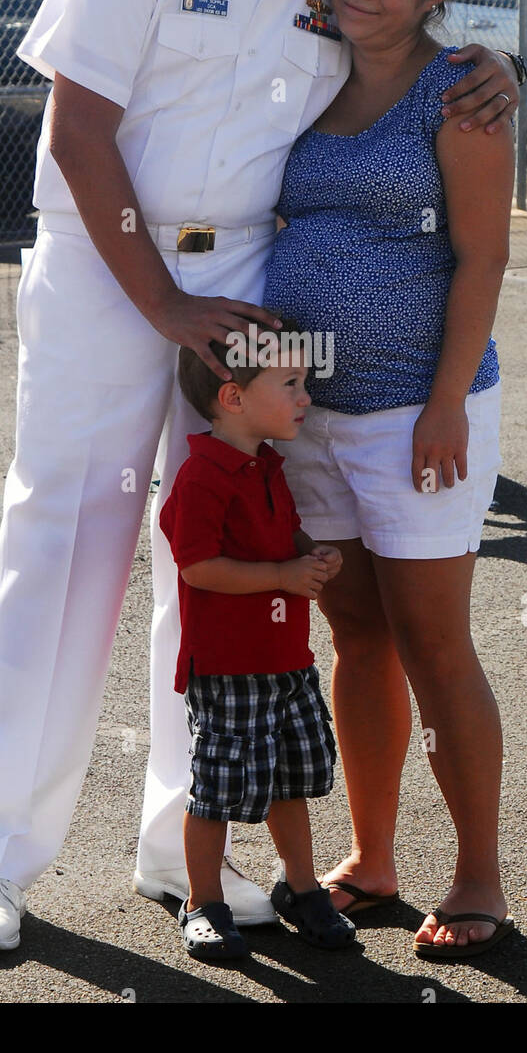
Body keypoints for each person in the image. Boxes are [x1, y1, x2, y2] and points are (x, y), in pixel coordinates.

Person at [0, 0, 524, 952]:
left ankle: (180, 843)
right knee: (69, 543)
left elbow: (403, 45)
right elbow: (79, 131)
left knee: (217, 554)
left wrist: (491, 68)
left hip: (248, 273)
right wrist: (159, 300)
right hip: (117, 272)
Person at [262, 0, 516, 960]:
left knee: (433, 641)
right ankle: (373, 862)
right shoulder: (305, 57)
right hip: (310, 413)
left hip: (421, 411)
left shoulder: (460, 90)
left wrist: (445, 402)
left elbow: (483, 255)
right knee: (354, 632)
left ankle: (479, 879)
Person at [159, 328, 355, 961]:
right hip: (227, 668)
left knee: (289, 781)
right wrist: (281, 577)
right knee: (215, 790)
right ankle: (203, 902)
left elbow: (282, 534)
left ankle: (300, 890)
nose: (306, 395)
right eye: (291, 384)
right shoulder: (201, 477)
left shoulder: (268, 462)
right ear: (233, 398)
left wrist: (308, 555)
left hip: (285, 661)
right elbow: (198, 566)